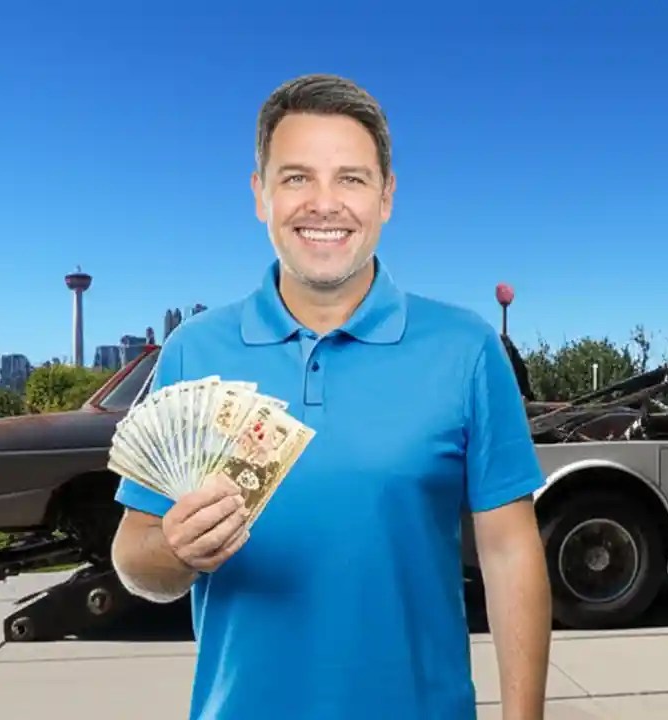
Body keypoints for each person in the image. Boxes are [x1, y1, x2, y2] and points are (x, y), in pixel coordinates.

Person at [110, 73, 552, 720]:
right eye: (296, 178)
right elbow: (133, 556)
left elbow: (511, 553)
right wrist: (173, 553)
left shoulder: (466, 348)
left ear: (386, 197)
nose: (325, 204)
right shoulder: (193, 351)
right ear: (260, 195)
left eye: (350, 178)